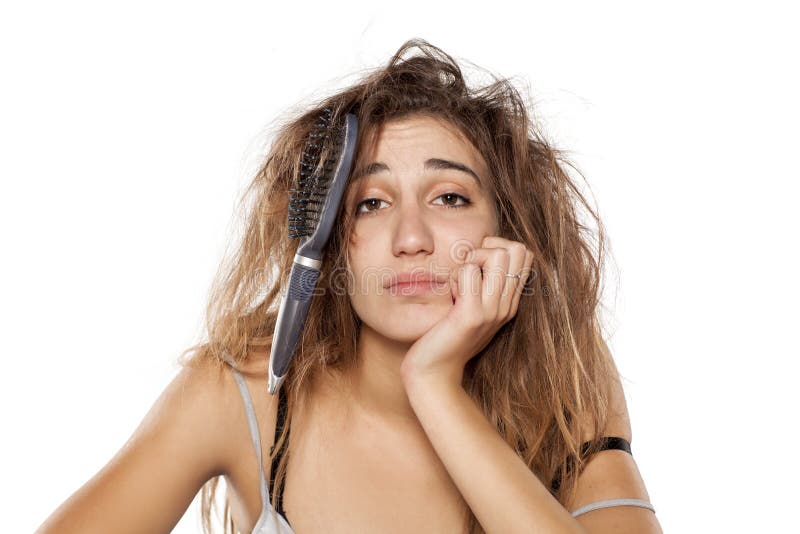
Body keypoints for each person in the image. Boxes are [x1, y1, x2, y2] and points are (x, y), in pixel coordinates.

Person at [35, 39, 662, 534]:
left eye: (449, 197)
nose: (410, 237)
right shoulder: (244, 395)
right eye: (370, 204)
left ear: (508, 227)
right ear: (330, 237)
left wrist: (435, 385)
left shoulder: (563, 383)